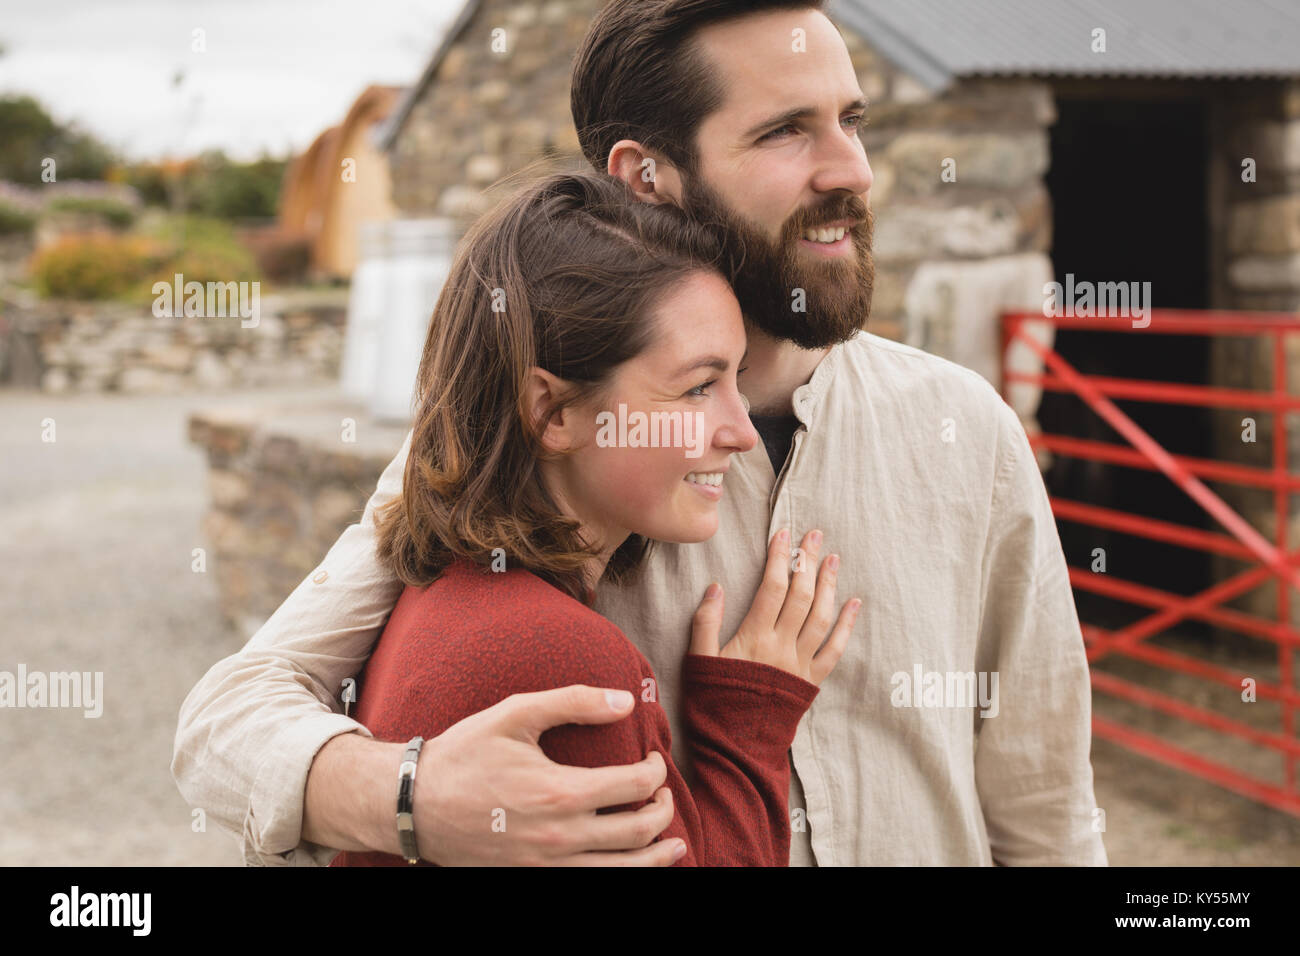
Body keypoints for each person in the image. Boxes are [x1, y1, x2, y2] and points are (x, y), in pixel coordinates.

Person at [173, 0, 1107, 866]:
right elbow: (223, 721)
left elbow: (1046, 812)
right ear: (646, 178)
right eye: (787, 130)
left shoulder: (968, 430)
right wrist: (410, 798)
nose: (851, 170)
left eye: (851, 121)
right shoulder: (549, 446)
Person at [329, 171, 858, 866]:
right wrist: (747, 724)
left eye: (737, 381)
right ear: (552, 412)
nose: (741, 432)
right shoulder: (561, 660)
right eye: (698, 387)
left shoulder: (456, 595)